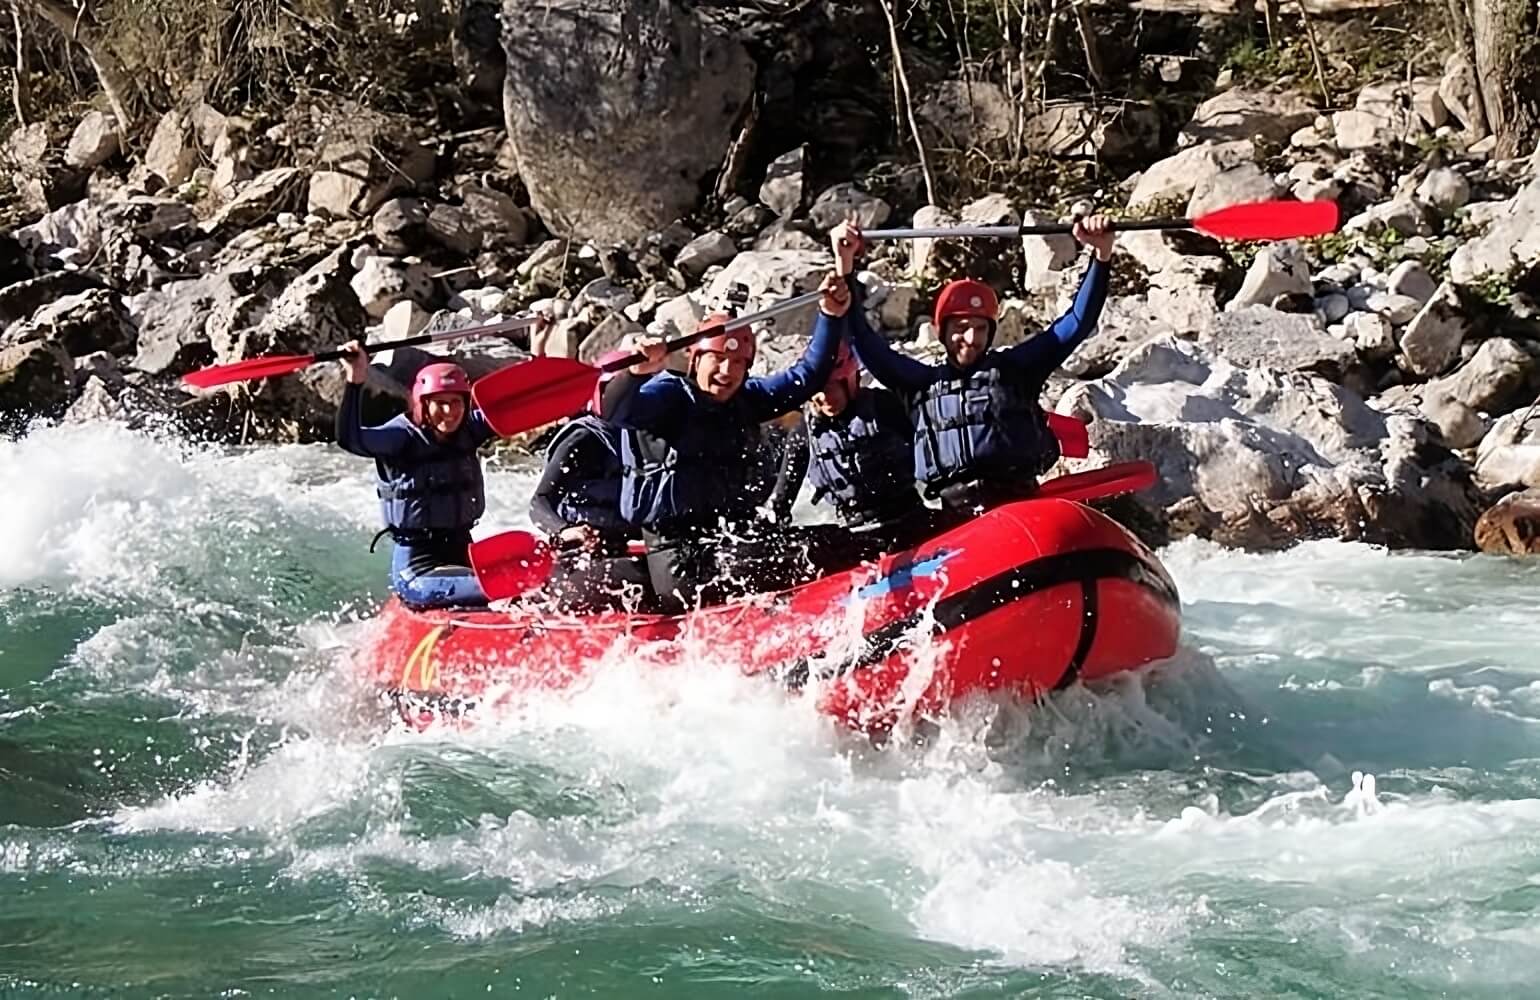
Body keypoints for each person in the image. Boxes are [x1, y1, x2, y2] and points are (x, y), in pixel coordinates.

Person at [601, 261, 855, 612]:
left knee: (836, 540)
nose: (727, 371)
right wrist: (633, 373)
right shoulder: (668, 396)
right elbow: (615, 411)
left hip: (727, 539)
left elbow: (807, 377)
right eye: (718, 359)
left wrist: (830, 315)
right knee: (803, 554)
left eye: (738, 363)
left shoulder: (747, 400)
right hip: (679, 562)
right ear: (695, 359)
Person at [841, 215, 1115, 516]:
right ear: (941, 332)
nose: (971, 339)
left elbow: (1076, 324)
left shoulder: (1017, 370)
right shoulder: (917, 383)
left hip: (1019, 504)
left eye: (981, 328)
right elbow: (863, 340)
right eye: (960, 327)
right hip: (955, 518)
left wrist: (1101, 255)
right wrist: (846, 266)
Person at [336, 342, 495, 609]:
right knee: (500, 589)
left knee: (534, 576)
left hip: (464, 554)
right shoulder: (401, 437)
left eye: (456, 402)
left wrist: (539, 347)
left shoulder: (470, 429)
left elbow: (530, 405)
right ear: (423, 404)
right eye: (440, 404)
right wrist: (356, 378)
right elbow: (351, 439)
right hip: (418, 570)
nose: (450, 412)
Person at [527, 353, 656, 612]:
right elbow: (538, 503)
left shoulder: (646, 439)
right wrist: (565, 531)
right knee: (637, 582)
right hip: (577, 554)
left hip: (621, 548)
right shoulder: (581, 440)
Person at [801, 339, 933, 560]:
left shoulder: (884, 406)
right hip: (856, 535)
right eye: (819, 389)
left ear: (851, 380)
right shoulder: (803, 433)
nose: (825, 397)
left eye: (832, 386)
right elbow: (778, 503)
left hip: (909, 518)